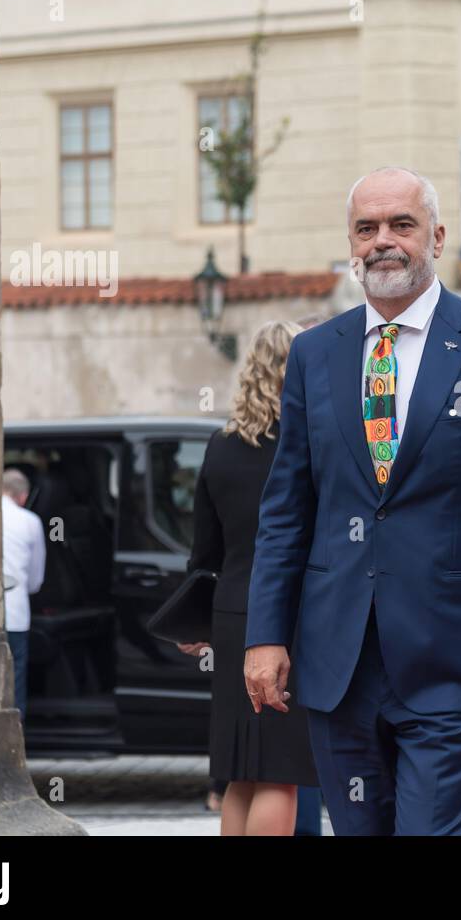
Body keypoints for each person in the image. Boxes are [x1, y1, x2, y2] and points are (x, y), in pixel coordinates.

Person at [244, 167, 461, 836]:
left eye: (402, 224)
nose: (383, 242)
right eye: (367, 228)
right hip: (338, 655)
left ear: (438, 236)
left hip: (452, 652)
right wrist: (265, 634)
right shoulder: (314, 353)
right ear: (350, 241)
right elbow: (287, 509)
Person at [179, 320, 319, 836]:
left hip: (233, 618)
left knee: (241, 772)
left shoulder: (221, 446)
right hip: (289, 617)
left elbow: (204, 552)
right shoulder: (307, 443)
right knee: (281, 774)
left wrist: (195, 620)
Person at [1, 468, 46, 724]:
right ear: (23, 496)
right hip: (15, 613)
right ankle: (15, 736)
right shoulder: (30, 521)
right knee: (14, 679)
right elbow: (35, 579)